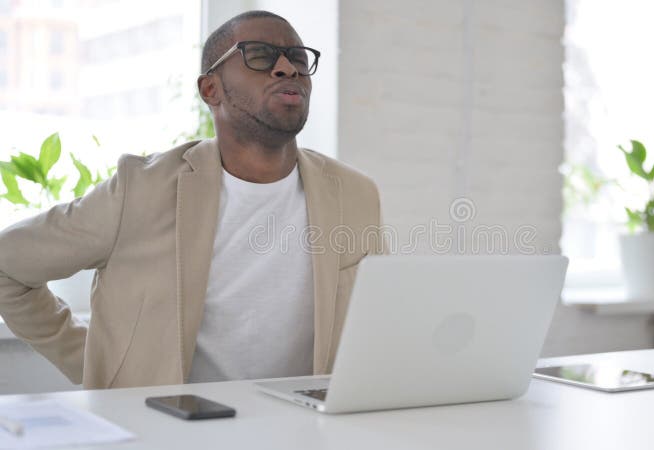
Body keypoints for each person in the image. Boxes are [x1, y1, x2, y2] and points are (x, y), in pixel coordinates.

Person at [0, 10, 383, 389]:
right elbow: (7, 266)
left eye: (298, 58)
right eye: (260, 55)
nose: (287, 68)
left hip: (305, 433)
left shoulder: (356, 195)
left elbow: (378, 323)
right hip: (169, 433)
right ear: (210, 89)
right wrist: (100, 364)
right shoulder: (140, 190)